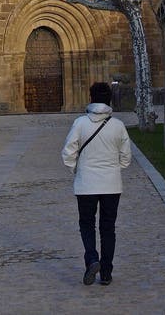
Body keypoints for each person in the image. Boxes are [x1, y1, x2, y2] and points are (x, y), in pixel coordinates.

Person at [61, 81, 132, 286]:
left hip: (86, 185)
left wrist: (76, 169)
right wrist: (114, 168)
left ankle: (92, 259)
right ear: (109, 100)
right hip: (111, 185)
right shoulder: (118, 125)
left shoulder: (80, 123)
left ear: (91, 99)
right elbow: (126, 157)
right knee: (108, 228)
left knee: (87, 224)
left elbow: (68, 152)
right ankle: (107, 272)